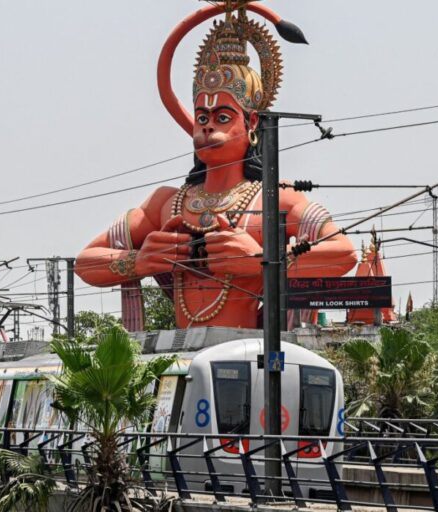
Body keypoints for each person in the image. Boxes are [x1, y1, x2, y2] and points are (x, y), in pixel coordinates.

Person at [76, 2, 357, 330]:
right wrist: (140, 261)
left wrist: (261, 262)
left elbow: (343, 253)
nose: (208, 128)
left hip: (254, 358)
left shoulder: (278, 199)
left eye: (223, 117)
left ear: (252, 122)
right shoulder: (166, 204)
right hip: (180, 357)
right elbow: (85, 262)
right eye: (201, 118)